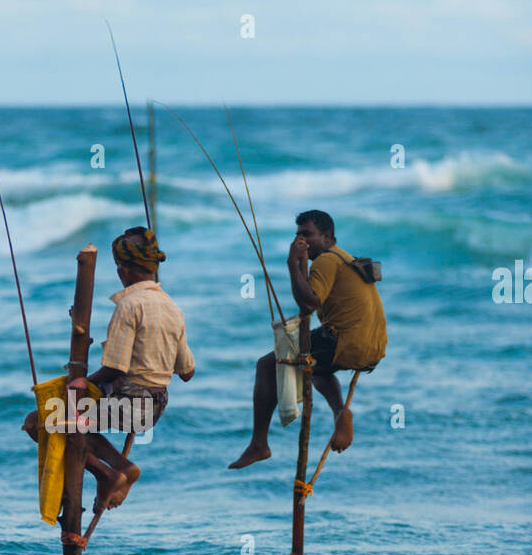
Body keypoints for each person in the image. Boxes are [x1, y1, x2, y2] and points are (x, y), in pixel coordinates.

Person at [23, 226, 195, 509]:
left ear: (124, 270)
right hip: (155, 407)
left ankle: (110, 473)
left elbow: (115, 369)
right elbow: (187, 372)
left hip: (129, 404)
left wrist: (80, 383)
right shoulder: (174, 309)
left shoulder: (129, 306)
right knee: (71, 419)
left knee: (39, 421)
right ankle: (119, 468)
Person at [229, 209, 387, 470]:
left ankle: (259, 444)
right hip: (371, 348)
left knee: (266, 365)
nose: (301, 240)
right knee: (314, 364)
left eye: (307, 234)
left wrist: (293, 263)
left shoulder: (326, 261)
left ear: (326, 237)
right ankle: (340, 412)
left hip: (346, 342)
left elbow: (310, 303)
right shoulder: (343, 257)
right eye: (297, 234)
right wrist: (302, 263)